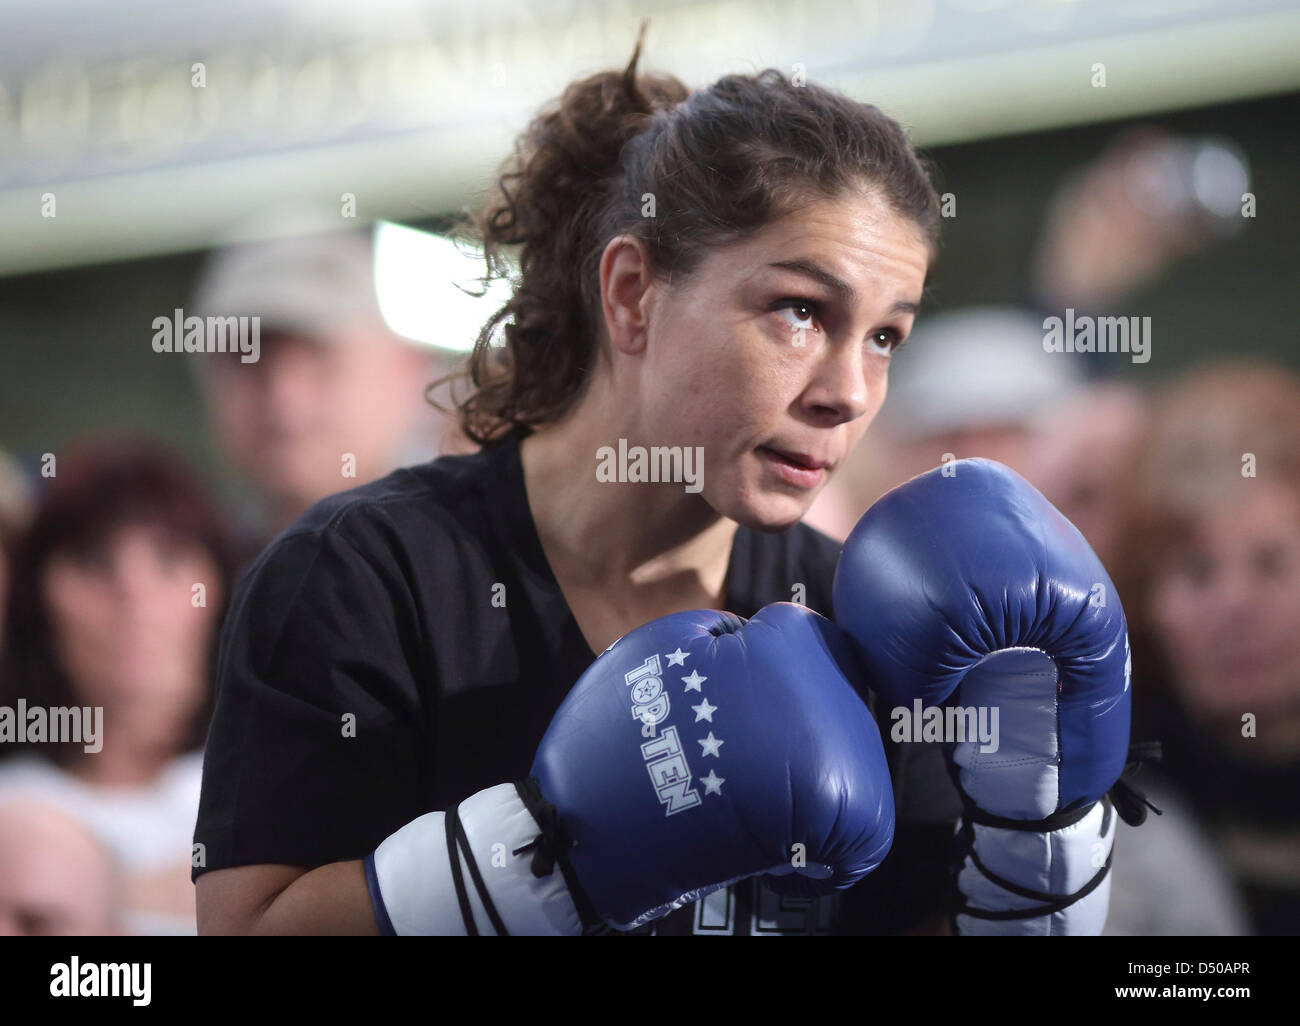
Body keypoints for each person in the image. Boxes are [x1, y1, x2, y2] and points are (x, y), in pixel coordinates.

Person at [193, 37, 966, 936]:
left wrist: (1042, 839)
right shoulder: (366, 579)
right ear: (634, 293)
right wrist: (550, 848)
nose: (848, 393)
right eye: (800, 310)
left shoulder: (862, 621)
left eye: (885, 338)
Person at [0, 438, 235, 934]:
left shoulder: (278, 789)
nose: (133, 592)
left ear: (220, 591)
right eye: (93, 561)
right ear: (35, 600)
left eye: (168, 559)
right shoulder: (11, 802)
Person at [1113, 361, 1300, 935]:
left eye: (1271, 565)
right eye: (1196, 572)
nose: (1234, 606)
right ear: (1147, 600)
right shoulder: (1103, 808)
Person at [190, 213, 464, 554]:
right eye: (248, 363)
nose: (285, 401)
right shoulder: (188, 572)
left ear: (407, 369)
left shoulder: (476, 545)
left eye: (321, 362)